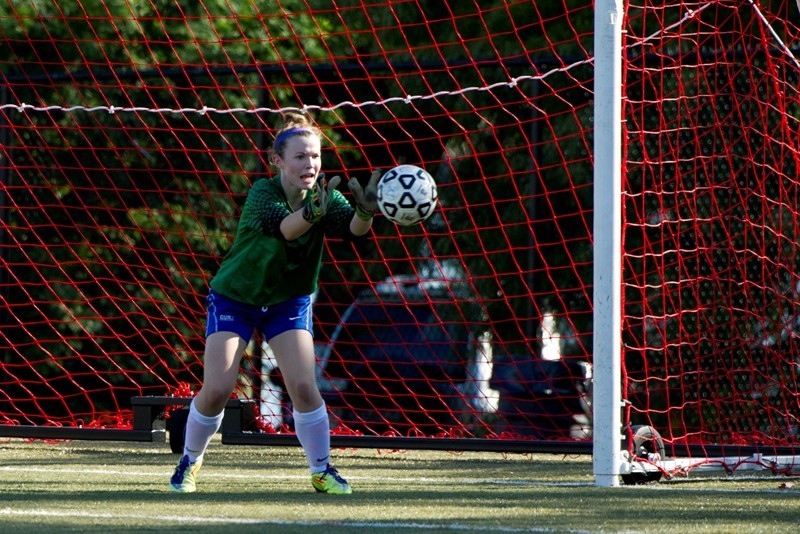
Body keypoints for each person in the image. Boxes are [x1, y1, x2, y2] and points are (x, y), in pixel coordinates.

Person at [169, 112, 381, 494]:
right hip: (237, 296)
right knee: (217, 389)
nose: (310, 164)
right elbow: (285, 228)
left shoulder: (326, 197)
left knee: (303, 386)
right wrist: (313, 212)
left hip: (287, 301)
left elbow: (354, 232)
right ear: (278, 160)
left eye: (315, 156)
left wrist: (365, 212)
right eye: (300, 156)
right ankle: (190, 461)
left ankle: (321, 470)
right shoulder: (262, 194)